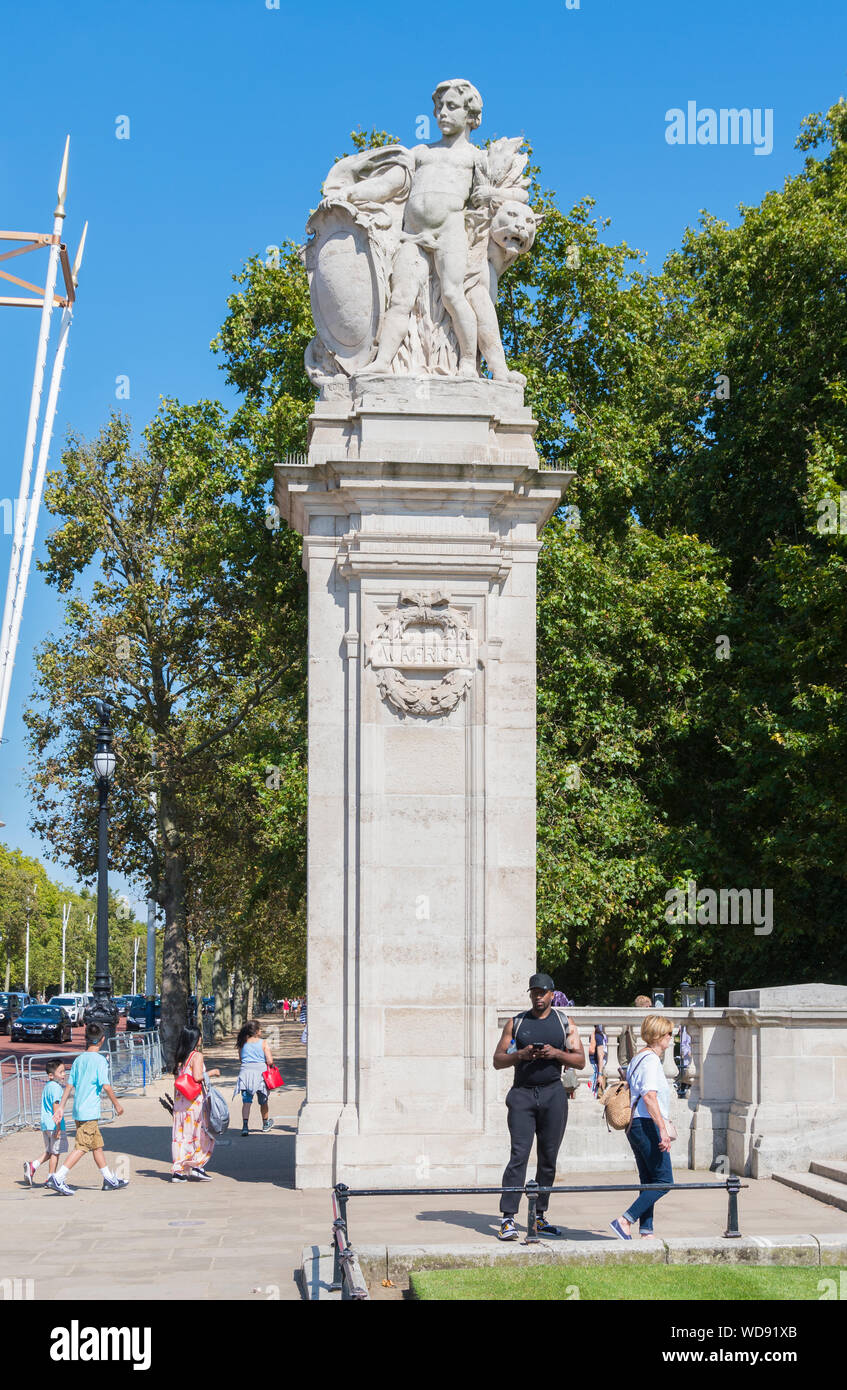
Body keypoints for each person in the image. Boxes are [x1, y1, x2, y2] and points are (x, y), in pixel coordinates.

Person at [492, 973, 585, 1240]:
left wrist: (556, 1054)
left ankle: (539, 1216)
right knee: (518, 1156)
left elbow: (580, 1061)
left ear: (552, 994)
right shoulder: (517, 1022)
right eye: (534, 992)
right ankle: (508, 1218)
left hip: (553, 1094)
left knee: (548, 1158)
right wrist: (520, 1055)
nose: (538, 996)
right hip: (522, 1095)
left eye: (543, 992)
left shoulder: (564, 1022)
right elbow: (498, 1060)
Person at [610, 1014, 676, 1240]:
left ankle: (646, 1231)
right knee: (665, 1182)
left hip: (636, 1125)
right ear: (659, 1035)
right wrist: (663, 1129)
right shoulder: (650, 1061)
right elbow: (649, 1096)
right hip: (646, 1123)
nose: (671, 1038)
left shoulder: (639, 1058)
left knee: (649, 1181)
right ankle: (625, 1220)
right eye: (669, 1034)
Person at [52, 1023, 128, 1195]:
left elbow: (69, 1086)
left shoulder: (79, 1060)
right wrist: (117, 1104)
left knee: (96, 1145)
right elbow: (106, 1086)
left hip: (79, 1110)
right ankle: (59, 1177)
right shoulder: (100, 1060)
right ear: (102, 1040)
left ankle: (109, 1178)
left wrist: (62, 1107)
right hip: (89, 1111)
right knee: (82, 1146)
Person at [171, 1026, 221, 1182]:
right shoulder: (196, 1056)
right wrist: (213, 1072)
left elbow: (178, 1082)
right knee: (200, 1133)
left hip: (180, 1103)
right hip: (194, 1102)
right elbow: (198, 1077)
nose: (201, 1039)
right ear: (195, 1039)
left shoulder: (180, 1058)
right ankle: (197, 1165)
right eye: (199, 1036)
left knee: (181, 1136)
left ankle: (179, 1171)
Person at [23, 1058, 68, 1187]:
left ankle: (33, 1166)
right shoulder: (56, 1088)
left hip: (45, 1124)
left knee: (50, 1151)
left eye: (64, 1071)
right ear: (51, 1075)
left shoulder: (48, 1086)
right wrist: (59, 1127)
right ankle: (50, 1177)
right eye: (61, 1072)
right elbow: (56, 1107)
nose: (64, 1074)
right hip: (54, 1125)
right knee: (55, 1152)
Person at [235, 1021, 275, 1136]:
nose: (261, 1031)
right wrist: (271, 1066)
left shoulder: (242, 1043)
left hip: (245, 1074)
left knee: (246, 1102)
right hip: (261, 1075)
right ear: (256, 1031)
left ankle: (245, 1126)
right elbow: (270, 1061)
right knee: (263, 1101)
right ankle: (265, 1123)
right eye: (260, 1029)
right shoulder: (263, 1043)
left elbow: (241, 1060)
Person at [618, 995, 653, 1075]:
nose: (650, 1009)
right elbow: (623, 1052)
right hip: (630, 1064)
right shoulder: (628, 1025)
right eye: (647, 1007)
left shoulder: (647, 1025)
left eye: (650, 1007)